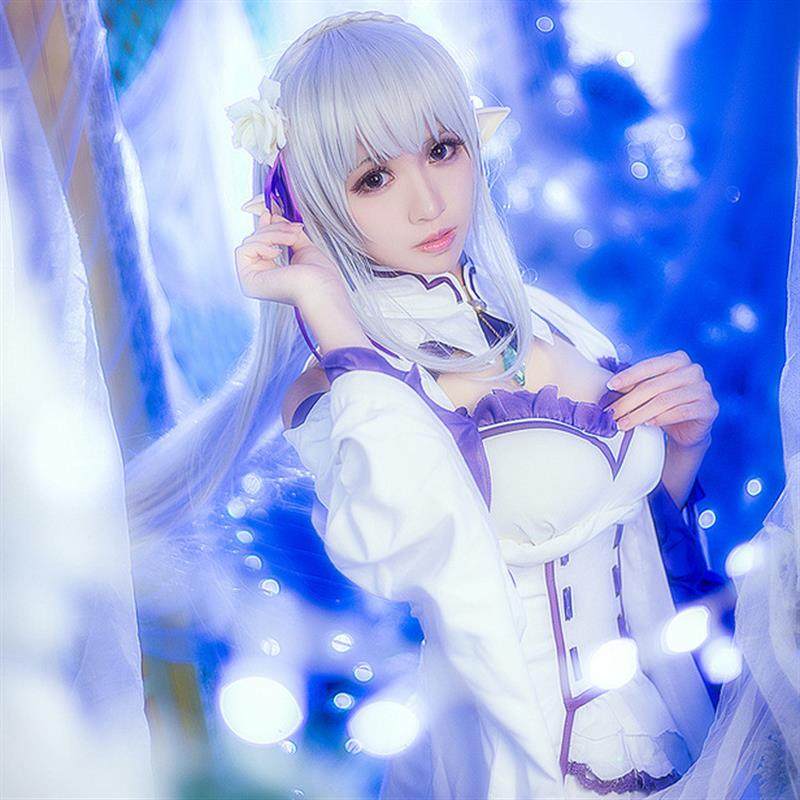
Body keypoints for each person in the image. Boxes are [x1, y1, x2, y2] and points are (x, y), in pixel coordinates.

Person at [126, 9, 737, 800]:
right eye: (372, 178)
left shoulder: (543, 317)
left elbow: (627, 533)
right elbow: (412, 542)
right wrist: (329, 315)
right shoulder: (342, 389)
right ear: (305, 201)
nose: (427, 203)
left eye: (442, 149)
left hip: (671, 734)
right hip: (512, 766)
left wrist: (682, 447)